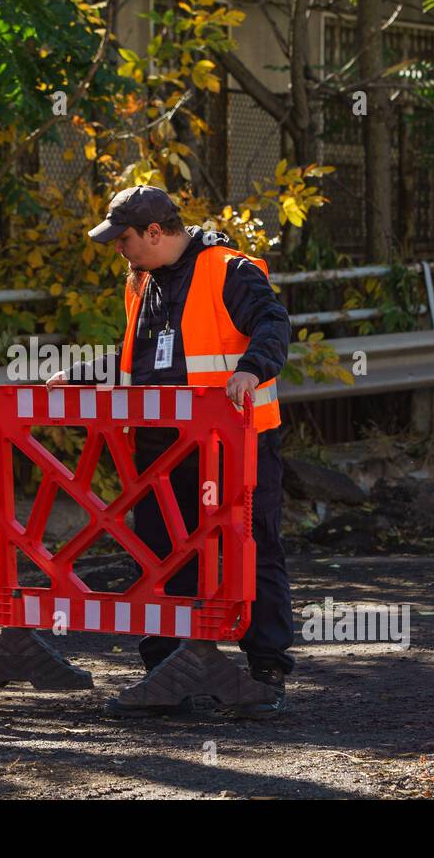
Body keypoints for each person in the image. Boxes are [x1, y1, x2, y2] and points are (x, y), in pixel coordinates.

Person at [47, 184, 293, 716]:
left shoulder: (228, 270)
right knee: (160, 555)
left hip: (236, 444)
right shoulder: (142, 282)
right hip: (162, 448)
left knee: (252, 549)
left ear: (156, 233)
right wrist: (84, 377)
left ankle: (265, 672)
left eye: (125, 238)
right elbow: (143, 366)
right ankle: (167, 668)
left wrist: (250, 370)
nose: (119, 248)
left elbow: (273, 324)